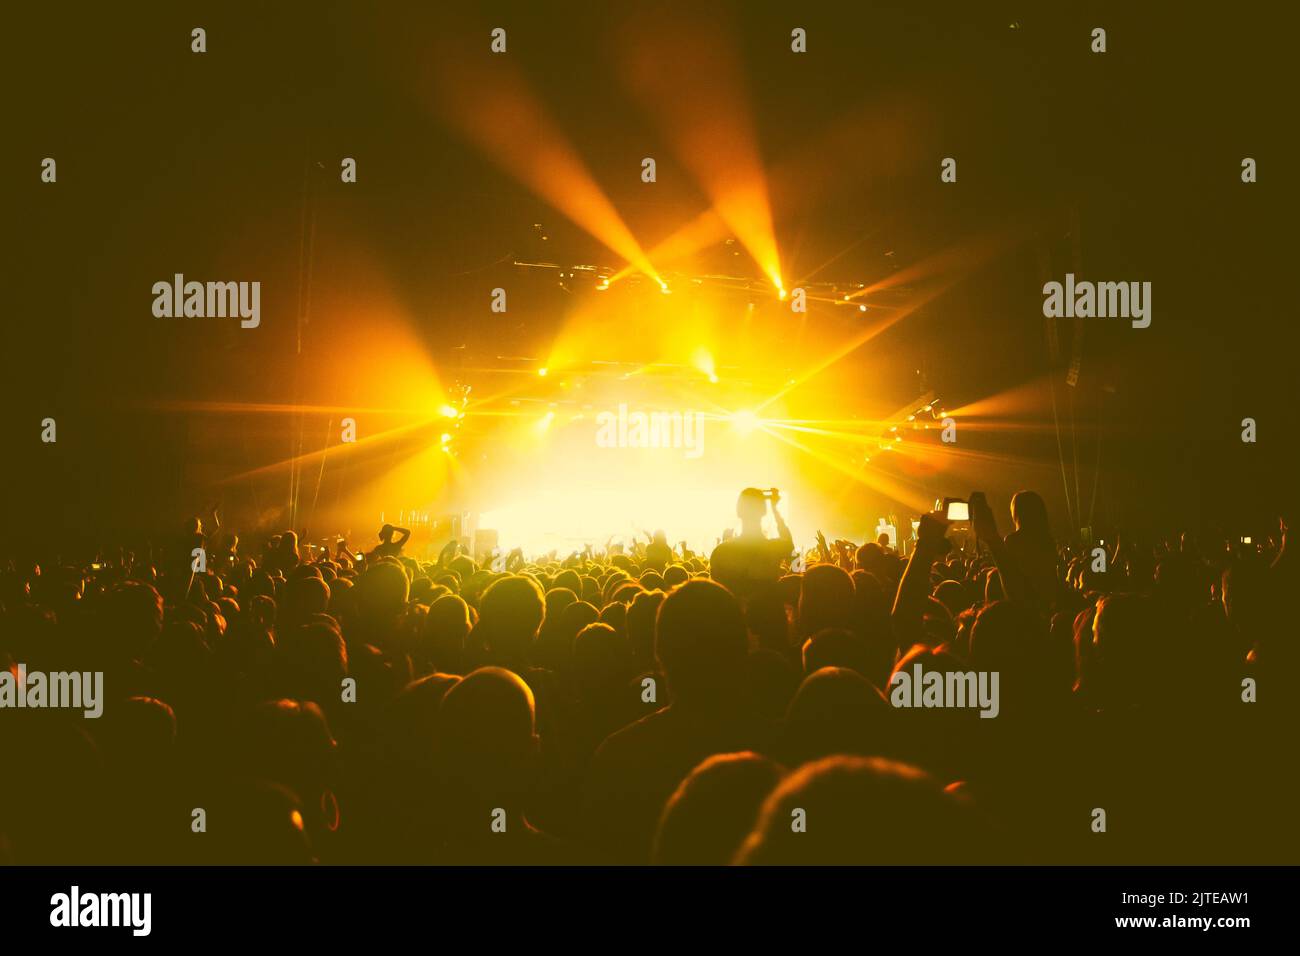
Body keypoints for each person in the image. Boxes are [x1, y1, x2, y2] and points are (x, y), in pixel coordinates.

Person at [710, 488, 793, 602]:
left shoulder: (721, 551)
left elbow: (715, 594)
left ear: (738, 511)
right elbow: (789, 545)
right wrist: (774, 509)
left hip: (732, 618)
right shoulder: (772, 549)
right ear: (763, 511)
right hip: (767, 617)